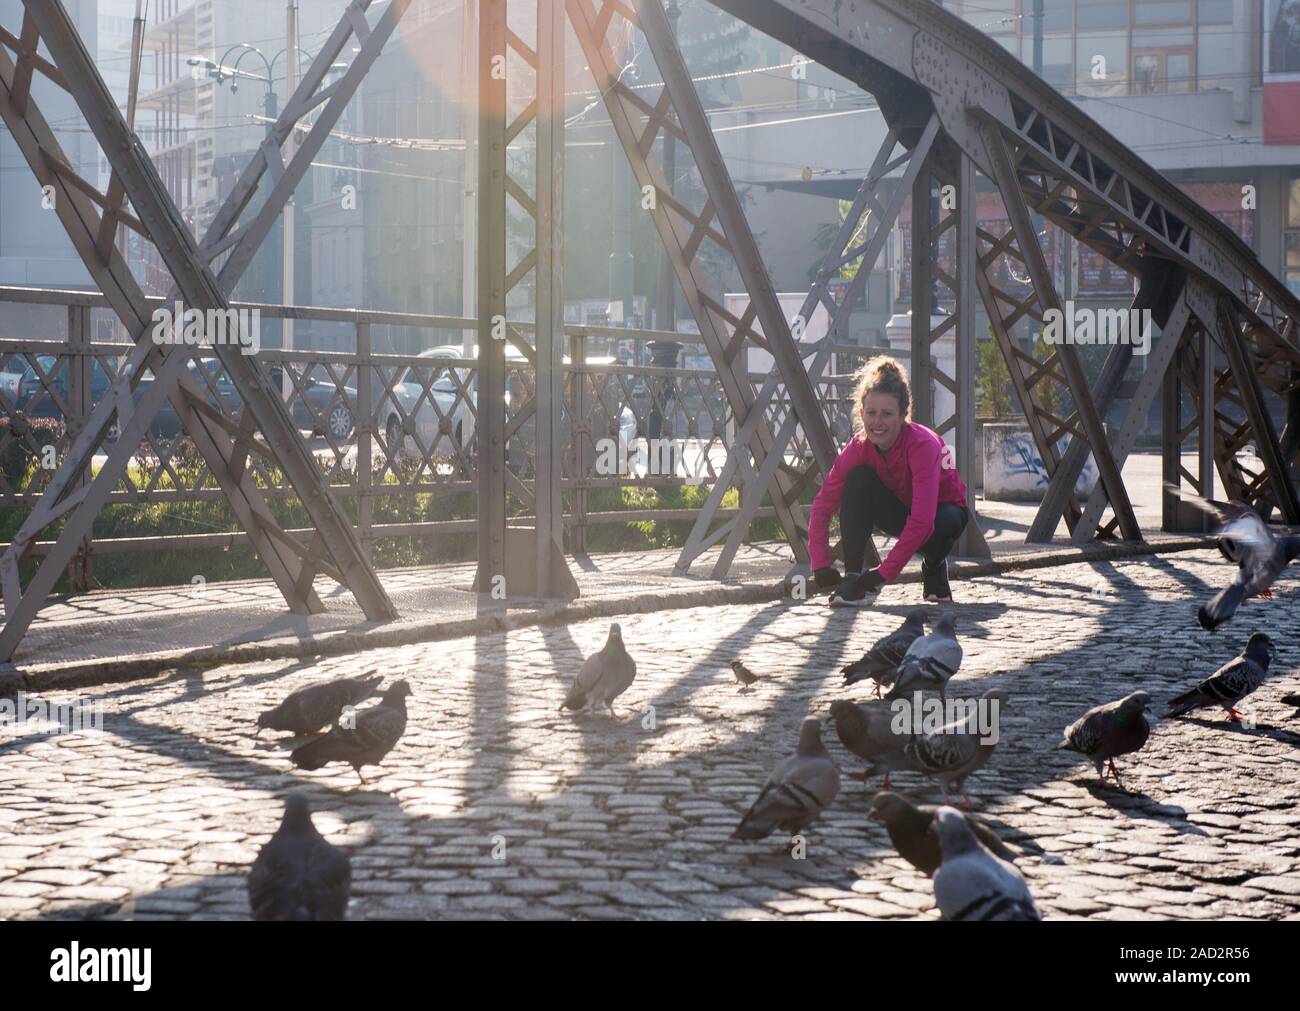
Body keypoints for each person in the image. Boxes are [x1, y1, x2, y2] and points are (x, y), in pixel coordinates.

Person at [807, 356, 969, 606]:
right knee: (858, 479)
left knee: (941, 525)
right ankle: (852, 577)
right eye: (871, 413)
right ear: (861, 413)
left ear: (903, 414)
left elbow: (923, 521)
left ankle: (935, 563)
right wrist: (819, 563)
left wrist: (884, 573)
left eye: (887, 414)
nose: (877, 423)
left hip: (942, 515)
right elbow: (823, 504)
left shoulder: (922, 444)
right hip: (901, 511)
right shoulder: (858, 447)